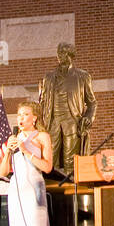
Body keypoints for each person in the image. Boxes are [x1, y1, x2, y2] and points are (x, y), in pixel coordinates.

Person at [38, 42, 97, 176]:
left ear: (71, 55)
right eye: (59, 52)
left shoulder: (82, 76)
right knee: (50, 160)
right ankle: (50, 191)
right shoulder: (48, 77)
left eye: (63, 52)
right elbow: (42, 102)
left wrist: (88, 117)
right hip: (52, 122)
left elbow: (92, 103)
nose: (60, 55)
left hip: (72, 121)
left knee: (71, 163)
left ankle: (72, 191)